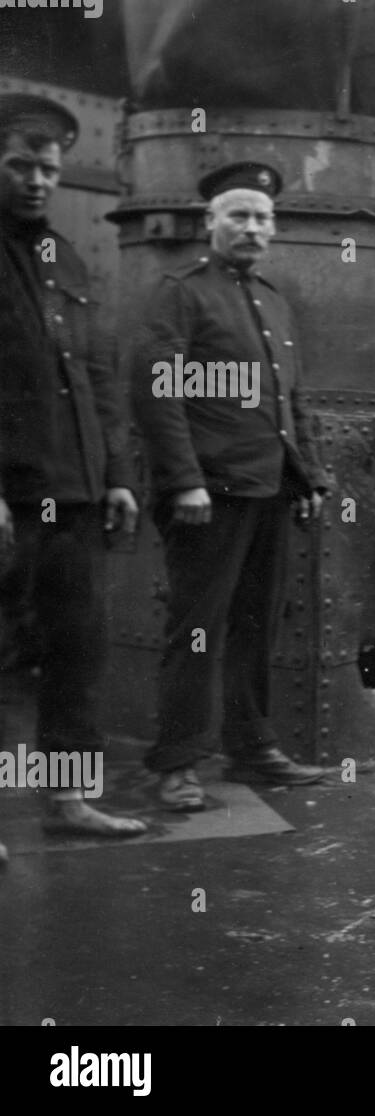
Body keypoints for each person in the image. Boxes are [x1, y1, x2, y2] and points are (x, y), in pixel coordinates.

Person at [129, 161, 329, 811]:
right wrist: (184, 482)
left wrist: (307, 479)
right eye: (237, 216)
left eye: (262, 217)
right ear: (209, 222)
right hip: (208, 495)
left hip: (267, 490)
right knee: (196, 629)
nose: (251, 227)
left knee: (254, 625)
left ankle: (252, 748)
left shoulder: (273, 300)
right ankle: (178, 762)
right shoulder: (181, 292)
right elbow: (158, 394)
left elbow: (289, 402)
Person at [0, 95, 147, 837]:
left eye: (48, 168)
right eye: (20, 164)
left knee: (76, 650)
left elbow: (98, 372)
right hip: (11, 497)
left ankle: (66, 798)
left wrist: (117, 473)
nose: (36, 180)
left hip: (77, 493)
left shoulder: (67, 255)